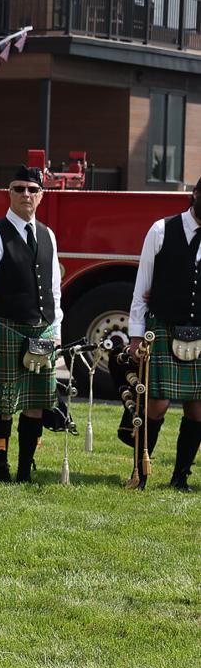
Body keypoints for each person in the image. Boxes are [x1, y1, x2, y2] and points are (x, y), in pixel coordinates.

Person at [0, 166, 62, 483]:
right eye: (19, 189)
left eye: (32, 189)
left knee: (35, 404)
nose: (26, 195)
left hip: (42, 331)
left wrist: (56, 328)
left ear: (41, 195)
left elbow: (54, 288)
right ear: (9, 193)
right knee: (4, 404)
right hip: (5, 329)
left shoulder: (48, 235)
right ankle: (2, 470)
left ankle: (24, 471)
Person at [126, 178, 201, 490]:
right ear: (196, 195)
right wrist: (134, 335)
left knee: (198, 410)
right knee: (155, 405)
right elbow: (142, 285)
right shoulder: (161, 230)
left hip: (200, 332)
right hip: (163, 328)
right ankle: (140, 473)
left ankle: (180, 477)